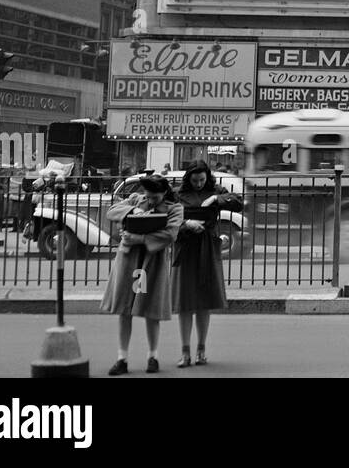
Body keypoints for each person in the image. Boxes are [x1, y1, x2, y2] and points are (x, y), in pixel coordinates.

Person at [100, 174, 183, 375]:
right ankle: (122, 358)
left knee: (150, 309)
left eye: (155, 197)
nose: (150, 200)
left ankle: (152, 356)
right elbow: (111, 211)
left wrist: (139, 238)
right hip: (129, 261)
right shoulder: (137, 200)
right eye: (148, 196)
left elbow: (170, 234)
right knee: (124, 309)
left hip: (150, 262)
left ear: (164, 193)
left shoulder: (175, 208)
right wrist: (132, 210)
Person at [171, 160, 243, 367]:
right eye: (195, 180)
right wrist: (186, 224)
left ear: (207, 177)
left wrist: (215, 198)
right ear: (188, 179)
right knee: (185, 302)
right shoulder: (177, 194)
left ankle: (201, 350)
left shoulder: (216, 190)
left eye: (202, 180)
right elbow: (168, 217)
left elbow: (237, 202)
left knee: (204, 301)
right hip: (184, 247)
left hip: (207, 247)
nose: (199, 184)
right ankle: (185, 352)